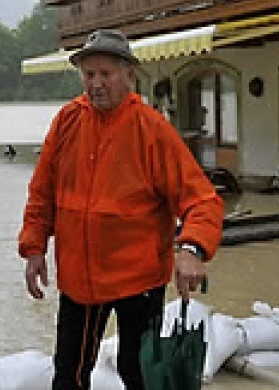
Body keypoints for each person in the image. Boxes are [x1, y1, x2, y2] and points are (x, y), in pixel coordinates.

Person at [18, 29, 225, 390]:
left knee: (138, 373)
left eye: (105, 74)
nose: (96, 84)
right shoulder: (67, 121)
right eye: (89, 74)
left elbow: (202, 200)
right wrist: (34, 247)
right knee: (69, 376)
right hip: (80, 279)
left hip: (138, 280)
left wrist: (191, 249)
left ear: (129, 74)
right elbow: (42, 192)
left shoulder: (152, 129)